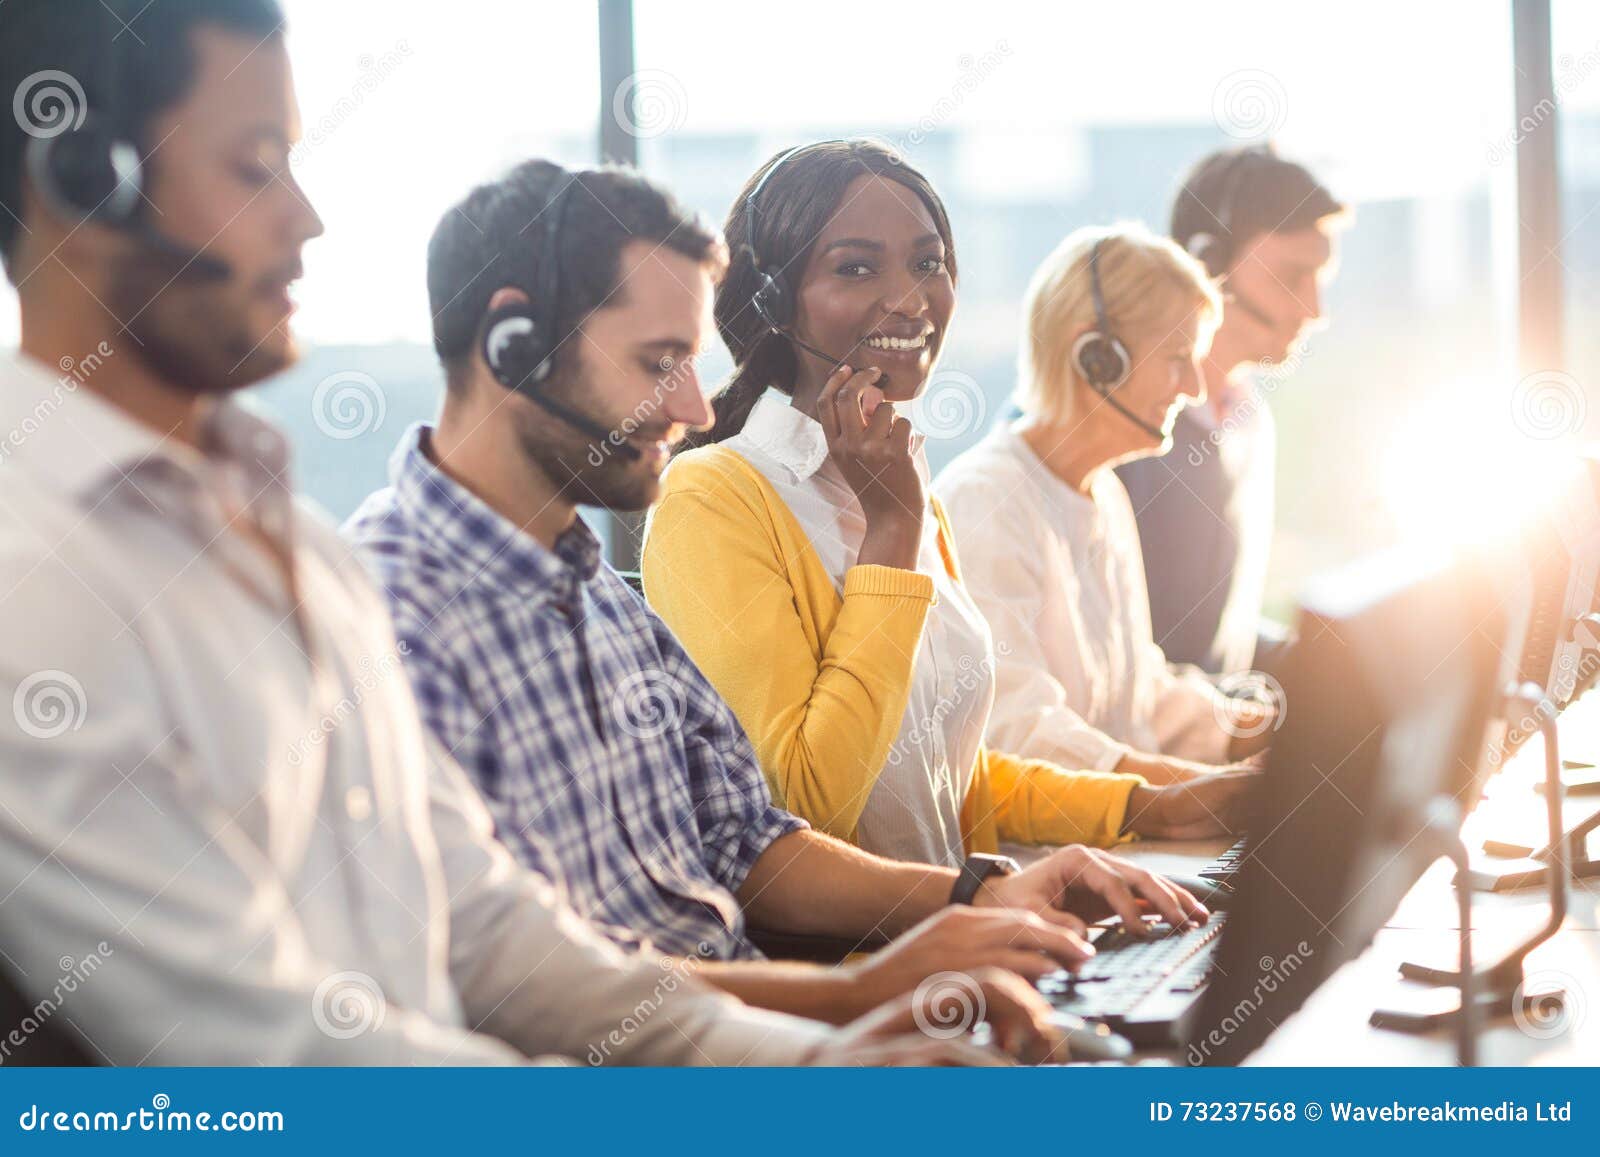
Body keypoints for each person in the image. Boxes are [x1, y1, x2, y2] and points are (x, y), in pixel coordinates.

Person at [0, 0, 1047, 1066]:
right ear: (87, 173)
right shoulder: (35, 578)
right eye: (256, 164)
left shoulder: (296, 552)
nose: (308, 220)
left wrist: (830, 1051)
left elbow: (497, 931)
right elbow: (270, 1054)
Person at [344, 156, 1214, 1030]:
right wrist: (858, 996)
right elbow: (527, 983)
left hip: (772, 1020)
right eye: (658, 362)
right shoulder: (383, 617)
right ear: (513, 345)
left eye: (927, 262)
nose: (691, 403)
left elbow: (753, 835)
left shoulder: (597, 596)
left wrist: (978, 889)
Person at [643, 140, 1253, 869]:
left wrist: (1150, 806)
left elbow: (942, 771)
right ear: (773, 299)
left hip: (971, 933)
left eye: (928, 262)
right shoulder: (715, 497)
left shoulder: (904, 486)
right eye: (857, 267)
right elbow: (804, 808)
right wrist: (892, 537)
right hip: (864, 970)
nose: (910, 298)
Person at [935, 225, 1273, 785]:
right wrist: (1195, 791)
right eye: (1177, 359)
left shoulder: (1102, 492)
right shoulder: (986, 501)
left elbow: (1138, 694)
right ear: (1097, 356)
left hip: (1124, 838)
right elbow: (1019, 733)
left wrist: (1263, 731)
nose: (1193, 387)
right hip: (1046, 860)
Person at [1116, 146, 1346, 677]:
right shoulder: (1120, 432)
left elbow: (1214, 638)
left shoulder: (1248, 420)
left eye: (1320, 279)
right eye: (1292, 277)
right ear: (1207, 267)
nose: (1314, 311)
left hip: (1215, 739)